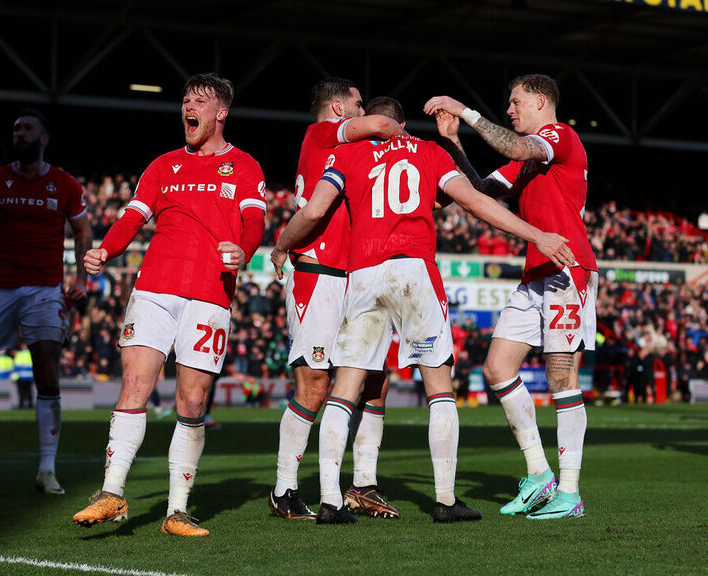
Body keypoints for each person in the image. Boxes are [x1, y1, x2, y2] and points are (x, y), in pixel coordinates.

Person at [272, 96, 574, 524]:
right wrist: (537, 235)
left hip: (364, 274)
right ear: (403, 124)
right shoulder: (428, 151)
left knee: (346, 388)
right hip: (415, 272)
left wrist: (281, 245)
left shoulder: (347, 154)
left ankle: (330, 501)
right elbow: (476, 202)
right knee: (439, 388)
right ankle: (445, 501)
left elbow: (316, 209)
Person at [72, 73, 266, 537]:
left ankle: (176, 511)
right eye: (185, 101)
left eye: (199, 101)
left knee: (192, 400)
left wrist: (244, 251)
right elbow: (131, 218)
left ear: (221, 112)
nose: (188, 108)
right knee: (133, 385)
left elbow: (254, 223)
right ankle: (112, 492)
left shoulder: (244, 166)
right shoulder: (163, 166)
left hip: (211, 294)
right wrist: (105, 250)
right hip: (154, 289)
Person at [424, 73, 598, 519]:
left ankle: (571, 493)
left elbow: (518, 147)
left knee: (561, 379)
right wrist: (454, 142)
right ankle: (540, 475)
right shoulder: (527, 162)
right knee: (497, 368)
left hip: (567, 268)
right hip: (535, 271)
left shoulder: (559, 136)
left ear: (540, 101)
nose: (509, 109)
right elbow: (479, 193)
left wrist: (464, 109)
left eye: (516, 102)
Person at [269, 78, 407, 521]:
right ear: (337, 108)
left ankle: (363, 484)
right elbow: (382, 123)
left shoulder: (351, 155)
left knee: (373, 380)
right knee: (314, 383)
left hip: (356, 275)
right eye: (357, 104)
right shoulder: (322, 133)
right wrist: (403, 135)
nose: (363, 112)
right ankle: (284, 489)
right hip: (319, 272)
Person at [0, 109, 91, 491]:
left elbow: (83, 231)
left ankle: (46, 469)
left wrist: (80, 278)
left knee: (47, 367)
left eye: (27, 129)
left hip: (45, 288)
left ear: (44, 139)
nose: (19, 134)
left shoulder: (64, 184)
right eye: (16, 129)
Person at [13, 342, 35, 409]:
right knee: (29, 391)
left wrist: (14, 377)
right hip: (30, 376)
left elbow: (16, 366)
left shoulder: (19, 354)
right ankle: (30, 404)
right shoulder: (32, 354)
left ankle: (21, 404)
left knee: (21, 392)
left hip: (21, 376)